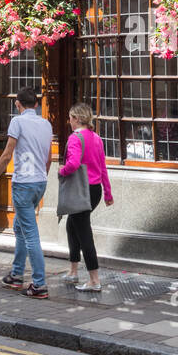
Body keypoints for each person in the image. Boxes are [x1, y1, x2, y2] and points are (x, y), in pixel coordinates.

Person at [0, 86, 52, 299]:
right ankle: (15, 274)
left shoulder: (17, 122)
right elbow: (48, 158)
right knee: (20, 226)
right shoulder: (46, 124)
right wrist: (42, 177)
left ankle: (39, 284)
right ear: (37, 104)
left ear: (18, 104)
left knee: (30, 234)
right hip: (40, 182)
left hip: (23, 183)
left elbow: (6, 155)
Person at [59, 102, 113, 292]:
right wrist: (107, 192)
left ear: (76, 118)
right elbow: (103, 167)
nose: (69, 122)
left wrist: (62, 171)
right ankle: (73, 271)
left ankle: (94, 280)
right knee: (72, 225)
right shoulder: (96, 138)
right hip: (95, 190)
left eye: (70, 118)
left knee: (83, 232)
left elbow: (73, 164)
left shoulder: (75, 138)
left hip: (80, 190)